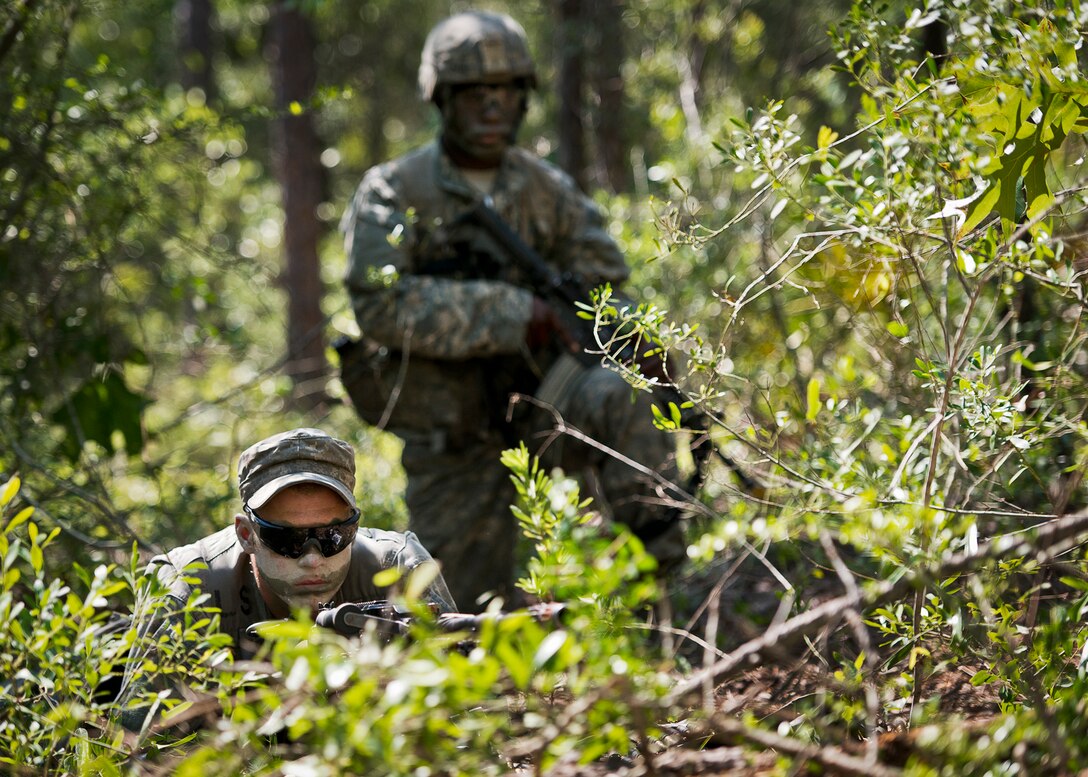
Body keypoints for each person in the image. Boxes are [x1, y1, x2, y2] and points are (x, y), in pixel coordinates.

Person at [339, 10, 685, 608]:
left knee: (623, 394)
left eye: (506, 92)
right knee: (451, 606)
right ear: (442, 98)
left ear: (524, 99)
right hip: (453, 429)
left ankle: (661, 600)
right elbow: (379, 303)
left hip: (545, 404)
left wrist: (629, 339)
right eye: (474, 93)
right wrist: (512, 311)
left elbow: (607, 288)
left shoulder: (546, 190)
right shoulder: (397, 189)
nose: (492, 107)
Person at [148, 427, 457, 656]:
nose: (312, 560)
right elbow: (145, 737)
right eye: (287, 538)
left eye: (332, 536)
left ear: (355, 526)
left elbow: (463, 714)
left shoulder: (397, 567)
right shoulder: (189, 587)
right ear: (247, 535)